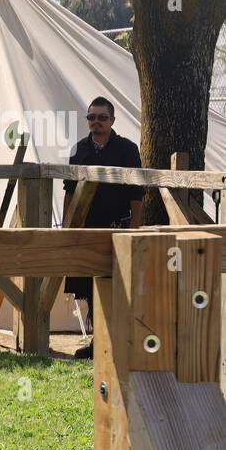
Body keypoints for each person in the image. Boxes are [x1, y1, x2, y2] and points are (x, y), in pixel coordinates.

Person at [62, 96, 143, 360]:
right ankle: (98, 341)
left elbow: (137, 193)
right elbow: (69, 191)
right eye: (91, 117)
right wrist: (67, 227)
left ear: (112, 120)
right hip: (85, 227)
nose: (96, 122)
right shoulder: (77, 150)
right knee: (86, 284)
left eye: (102, 118)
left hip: (116, 225)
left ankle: (116, 341)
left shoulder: (127, 150)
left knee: (115, 283)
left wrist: (134, 228)